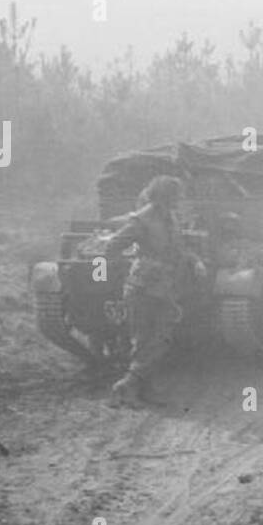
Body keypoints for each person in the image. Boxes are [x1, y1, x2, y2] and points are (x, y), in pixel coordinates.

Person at [106, 175, 205, 408]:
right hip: (142, 289)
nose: (180, 200)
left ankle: (141, 387)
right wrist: (132, 269)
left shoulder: (169, 217)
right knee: (143, 339)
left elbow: (180, 249)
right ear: (164, 197)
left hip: (164, 288)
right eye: (176, 196)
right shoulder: (142, 220)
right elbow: (112, 246)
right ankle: (129, 388)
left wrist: (196, 260)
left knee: (160, 338)